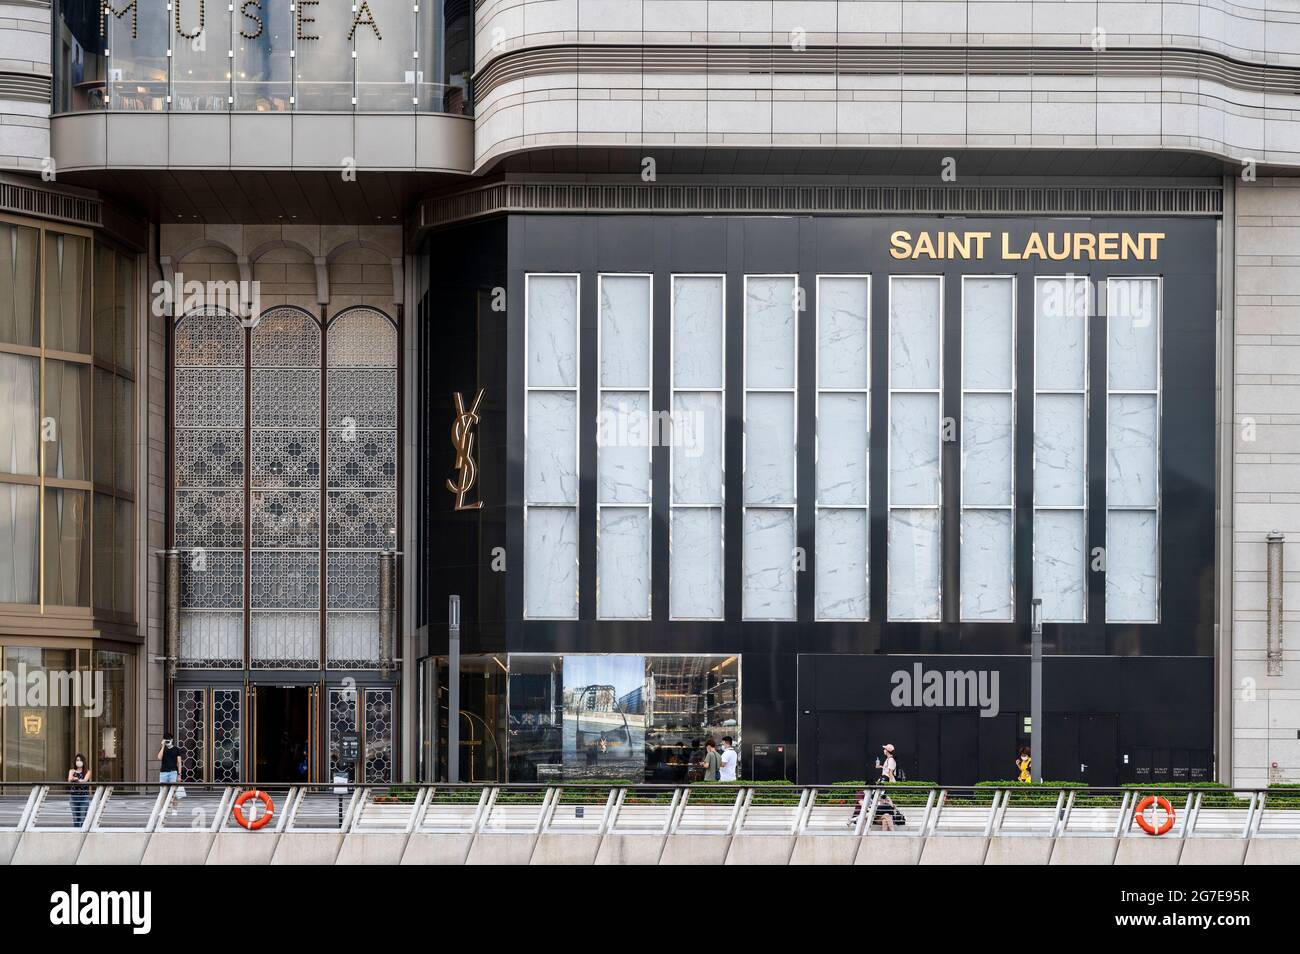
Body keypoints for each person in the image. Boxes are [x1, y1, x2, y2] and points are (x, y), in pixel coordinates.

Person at [67, 754, 91, 828]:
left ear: (83, 761)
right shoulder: (71, 771)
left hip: (84, 798)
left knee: (83, 819)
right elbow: (69, 779)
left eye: (80, 760)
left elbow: (85, 780)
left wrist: (77, 780)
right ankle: (76, 836)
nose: (79, 761)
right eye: (77, 760)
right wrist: (74, 779)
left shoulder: (87, 771)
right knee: (76, 820)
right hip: (73, 798)